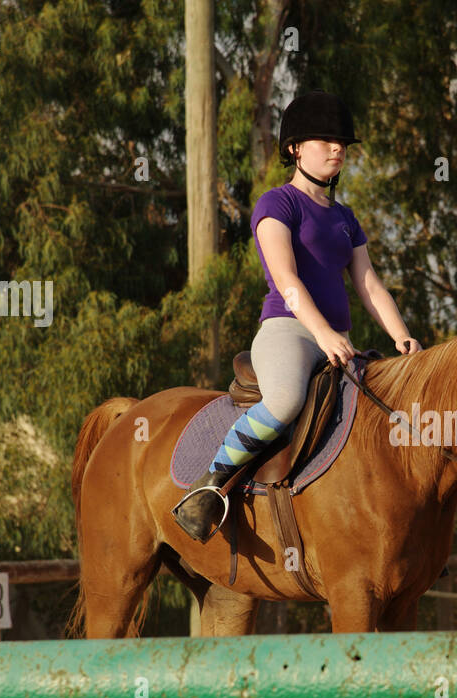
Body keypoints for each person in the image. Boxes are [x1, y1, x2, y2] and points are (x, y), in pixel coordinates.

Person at [173, 90, 421, 542]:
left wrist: (403, 338)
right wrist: (323, 333)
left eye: (342, 142)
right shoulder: (277, 203)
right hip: (289, 332)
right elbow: (287, 281)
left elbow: (369, 285)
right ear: (294, 149)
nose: (337, 148)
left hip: (338, 340)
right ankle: (208, 486)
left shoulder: (346, 217)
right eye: (325, 139)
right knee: (285, 400)